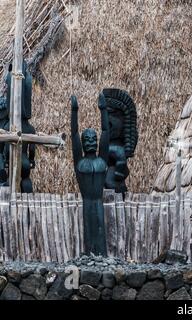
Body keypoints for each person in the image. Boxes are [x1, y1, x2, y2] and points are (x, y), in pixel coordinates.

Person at [71, 92, 109, 255]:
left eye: (94, 139)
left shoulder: (102, 160)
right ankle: (90, 255)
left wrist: (103, 110)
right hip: (87, 202)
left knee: (100, 230)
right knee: (89, 232)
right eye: (87, 139)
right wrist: (74, 111)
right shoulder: (80, 162)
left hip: (98, 202)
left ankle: (101, 255)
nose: (91, 142)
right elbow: (74, 134)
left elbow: (106, 132)